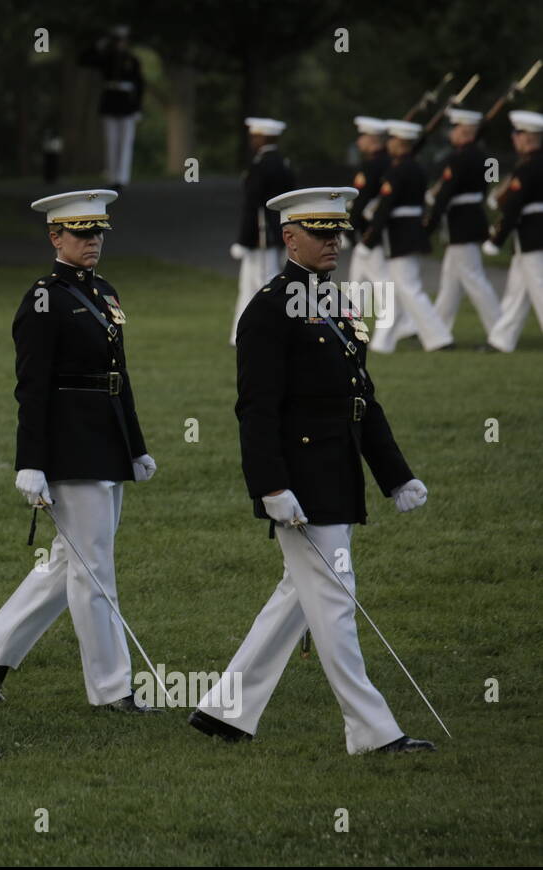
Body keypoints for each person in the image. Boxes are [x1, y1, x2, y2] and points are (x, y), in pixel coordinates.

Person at [190, 186, 435, 755]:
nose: (334, 243)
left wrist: (395, 475)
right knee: (333, 597)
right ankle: (373, 731)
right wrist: (272, 486)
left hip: (336, 472)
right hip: (300, 479)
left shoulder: (339, 302)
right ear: (289, 237)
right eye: (321, 234)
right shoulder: (269, 309)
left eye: (337, 233)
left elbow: (360, 396)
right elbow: (256, 409)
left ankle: (224, 710)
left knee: (299, 595)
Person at [0, 189, 157, 713]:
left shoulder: (105, 292)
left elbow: (119, 377)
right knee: (94, 569)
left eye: (97, 233)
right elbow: (32, 387)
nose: (92, 241)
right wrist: (31, 461)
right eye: (80, 233)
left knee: (71, 560)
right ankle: (112, 688)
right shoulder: (43, 299)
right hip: (71, 448)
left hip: (108, 442)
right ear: (55, 237)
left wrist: (135, 446)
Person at [363, 119, 453, 352]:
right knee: (398, 290)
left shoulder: (398, 170)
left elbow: (385, 207)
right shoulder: (417, 168)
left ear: (400, 143)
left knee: (409, 289)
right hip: (410, 232)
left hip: (401, 235)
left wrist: (369, 240)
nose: (389, 143)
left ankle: (438, 337)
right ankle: (384, 342)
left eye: (392, 139)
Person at [426, 108, 500, 342]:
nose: (452, 133)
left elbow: (445, 194)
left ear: (466, 132)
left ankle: (499, 329)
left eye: (455, 129)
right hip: (476, 216)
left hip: (460, 221)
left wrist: (431, 223)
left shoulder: (456, 158)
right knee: (450, 282)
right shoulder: (490, 158)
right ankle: (437, 329)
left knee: (474, 279)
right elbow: (491, 185)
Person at [346, 115, 418, 346]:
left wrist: (348, 228)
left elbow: (360, 201)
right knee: (358, 282)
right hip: (372, 234)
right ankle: (350, 327)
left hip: (371, 234)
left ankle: (397, 325)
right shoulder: (387, 162)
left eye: (362, 137)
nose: (359, 142)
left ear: (372, 139)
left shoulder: (373, 165)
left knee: (380, 284)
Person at [484, 110, 543, 353]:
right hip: (531, 237)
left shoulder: (528, 167)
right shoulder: (532, 164)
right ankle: (502, 339)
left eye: (517, 134)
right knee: (517, 292)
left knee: (540, 289)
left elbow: (513, 209)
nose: (514, 139)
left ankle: (501, 339)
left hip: (534, 236)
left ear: (527, 137)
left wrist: (496, 239)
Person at [231, 117, 294, 345]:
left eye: (255, 136)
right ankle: (241, 331)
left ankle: (279, 330)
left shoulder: (262, 165)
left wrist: (243, 240)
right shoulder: (283, 163)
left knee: (268, 284)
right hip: (276, 232)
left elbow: (252, 205)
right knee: (248, 285)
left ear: (263, 137)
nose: (252, 140)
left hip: (262, 235)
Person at [78, 25, 144, 190]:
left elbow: (140, 85)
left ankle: (121, 178)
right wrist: (100, 44)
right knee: (111, 142)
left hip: (127, 103)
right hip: (110, 102)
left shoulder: (132, 60)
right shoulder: (106, 58)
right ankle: (112, 177)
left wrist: (137, 107)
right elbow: (83, 60)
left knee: (125, 142)